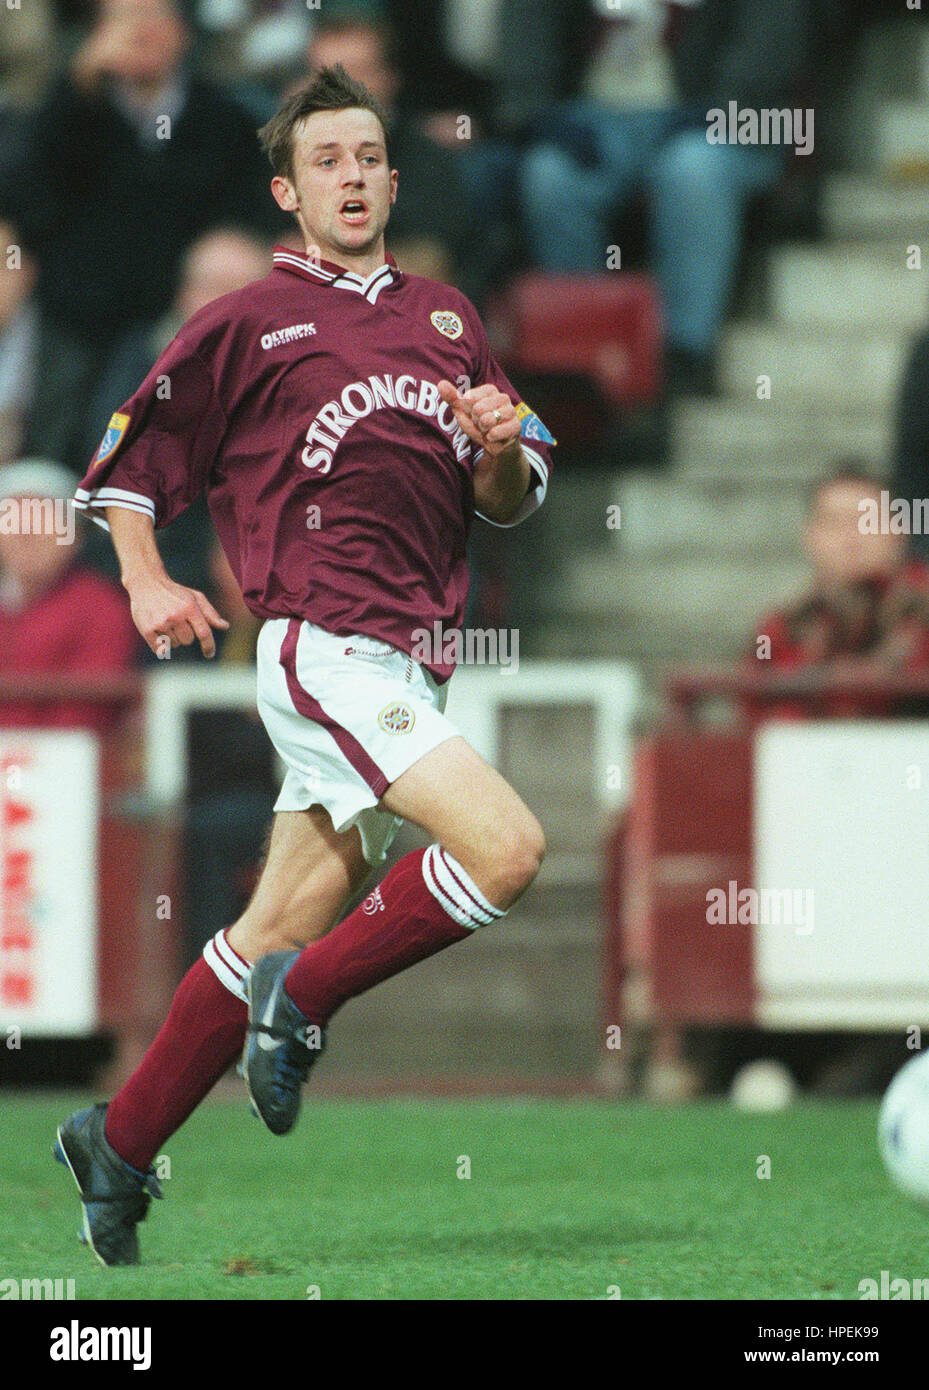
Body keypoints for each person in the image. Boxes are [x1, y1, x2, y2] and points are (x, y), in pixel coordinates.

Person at [55, 64, 555, 1266]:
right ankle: (310, 1002)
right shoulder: (247, 320)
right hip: (319, 648)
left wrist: (496, 449)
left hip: (411, 662)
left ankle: (115, 1143)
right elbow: (126, 460)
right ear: (289, 189)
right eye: (327, 160)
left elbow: (511, 492)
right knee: (506, 849)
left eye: (370, 156)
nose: (353, 176)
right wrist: (146, 576)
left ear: (391, 175)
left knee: (270, 922)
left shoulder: (447, 316)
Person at [0, 0, 286, 355]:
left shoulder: (224, 120)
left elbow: (260, 212)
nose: (140, 29)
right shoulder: (69, 112)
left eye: (154, 13)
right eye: (123, 16)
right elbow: (23, 199)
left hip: (191, 329)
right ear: (96, 34)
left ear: (183, 30)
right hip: (79, 331)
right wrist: (76, 88)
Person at [744, 465, 929, 721]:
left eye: (867, 521)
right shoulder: (783, 627)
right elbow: (756, 716)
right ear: (810, 536)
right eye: (834, 522)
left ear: (899, 529)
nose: (850, 538)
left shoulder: (922, 608)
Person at [0, 459, 139, 731]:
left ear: (76, 536)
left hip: (64, 761)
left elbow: (87, 712)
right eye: (12, 520)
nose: (28, 533)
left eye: (46, 520)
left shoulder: (103, 606)